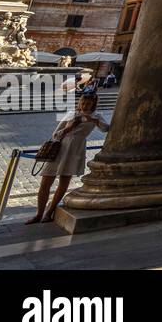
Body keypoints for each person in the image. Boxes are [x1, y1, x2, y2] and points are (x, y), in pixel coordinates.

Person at [27, 91, 108, 224]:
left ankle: (50, 211)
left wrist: (93, 120)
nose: (85, 105)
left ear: (93, 104)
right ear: (79, 102)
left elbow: (106, 128)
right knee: (46, 182)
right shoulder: (72, 114)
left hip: (76, 149)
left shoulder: (97, 115)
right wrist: (69, 128)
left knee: (64, 183)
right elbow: (55, 135)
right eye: (83, 102)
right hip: (60, 148)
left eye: (88, 103)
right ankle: (39, 213)